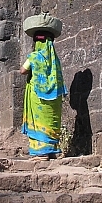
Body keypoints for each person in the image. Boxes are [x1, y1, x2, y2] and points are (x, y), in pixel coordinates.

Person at [20, 31, 67, 159]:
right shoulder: (55, 61)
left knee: (39, 120)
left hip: (38, 96)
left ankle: (41, 152)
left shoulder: (35, 56)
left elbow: (23, 70)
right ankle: (52, 150)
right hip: (55, 97)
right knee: (51, 120)